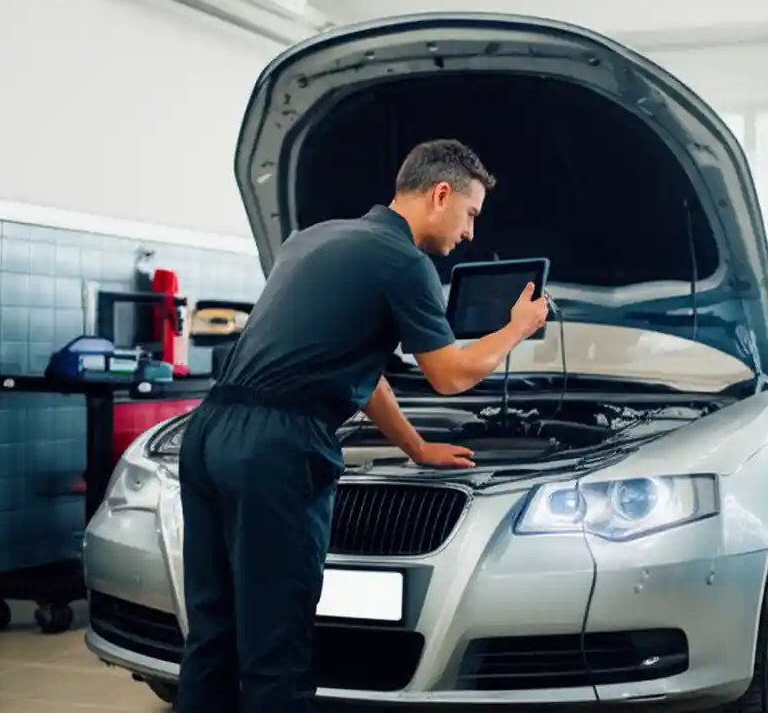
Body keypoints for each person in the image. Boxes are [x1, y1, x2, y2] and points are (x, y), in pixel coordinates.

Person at [175, 139, 548, 712]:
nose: (471, 233)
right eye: (471, 214)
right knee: (277, 644)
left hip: (208, 432)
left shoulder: (313, 239)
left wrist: (417, 446)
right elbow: (449, 376)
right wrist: (517, 328)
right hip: (277, 446)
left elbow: (362, 372)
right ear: (441, 194)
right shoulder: (404, 261)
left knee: (213, 634)